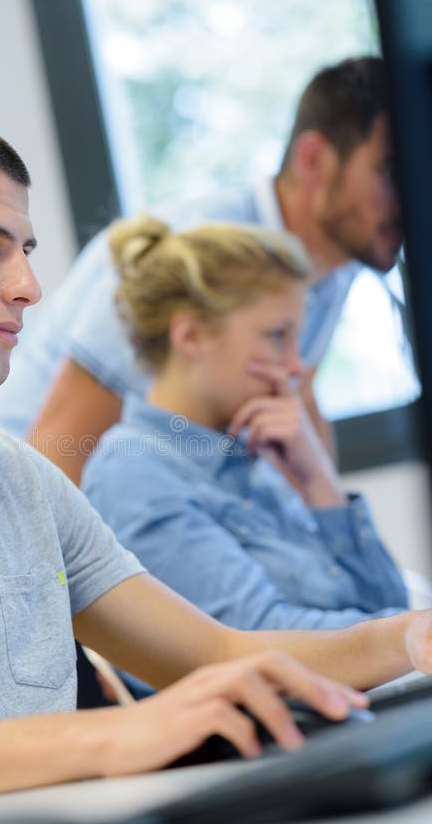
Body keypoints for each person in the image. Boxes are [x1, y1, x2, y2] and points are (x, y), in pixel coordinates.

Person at [0, 108, 425, 824]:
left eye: (25, 248)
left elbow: (216, 653)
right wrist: (119, 735)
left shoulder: (19, 477)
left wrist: (407, 639)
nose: (27, 286)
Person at [0, 55, 402, 484]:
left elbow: (297, 402)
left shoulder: (334, 264)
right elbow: (59, 448)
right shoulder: (193, 252)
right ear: (314, 160)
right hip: (7, 498)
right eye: (389, 171)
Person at [80, 215, 410, 696]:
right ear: (190, 335)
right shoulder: (134, 477)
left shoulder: (254, 455)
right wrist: (399, 637)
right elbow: (259, 642)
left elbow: (388, 606)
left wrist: (320, 483)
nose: (296, 367)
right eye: (277, 335)